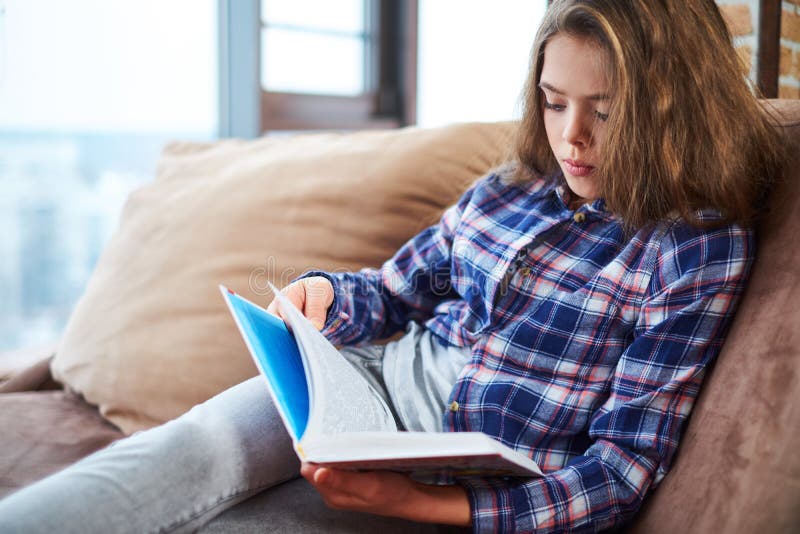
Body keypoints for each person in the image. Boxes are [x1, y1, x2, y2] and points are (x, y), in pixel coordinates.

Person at [0, 0, 784, 532]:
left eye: (605, 111)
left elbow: (621, 470)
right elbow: (390, 292)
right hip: (360, 391)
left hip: (456, 488)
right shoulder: (510, 189)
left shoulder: (694, 250)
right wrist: (324, 296)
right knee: (194, 447)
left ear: (673, 103)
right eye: (553, 102)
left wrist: (413, 504)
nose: (570, 137)